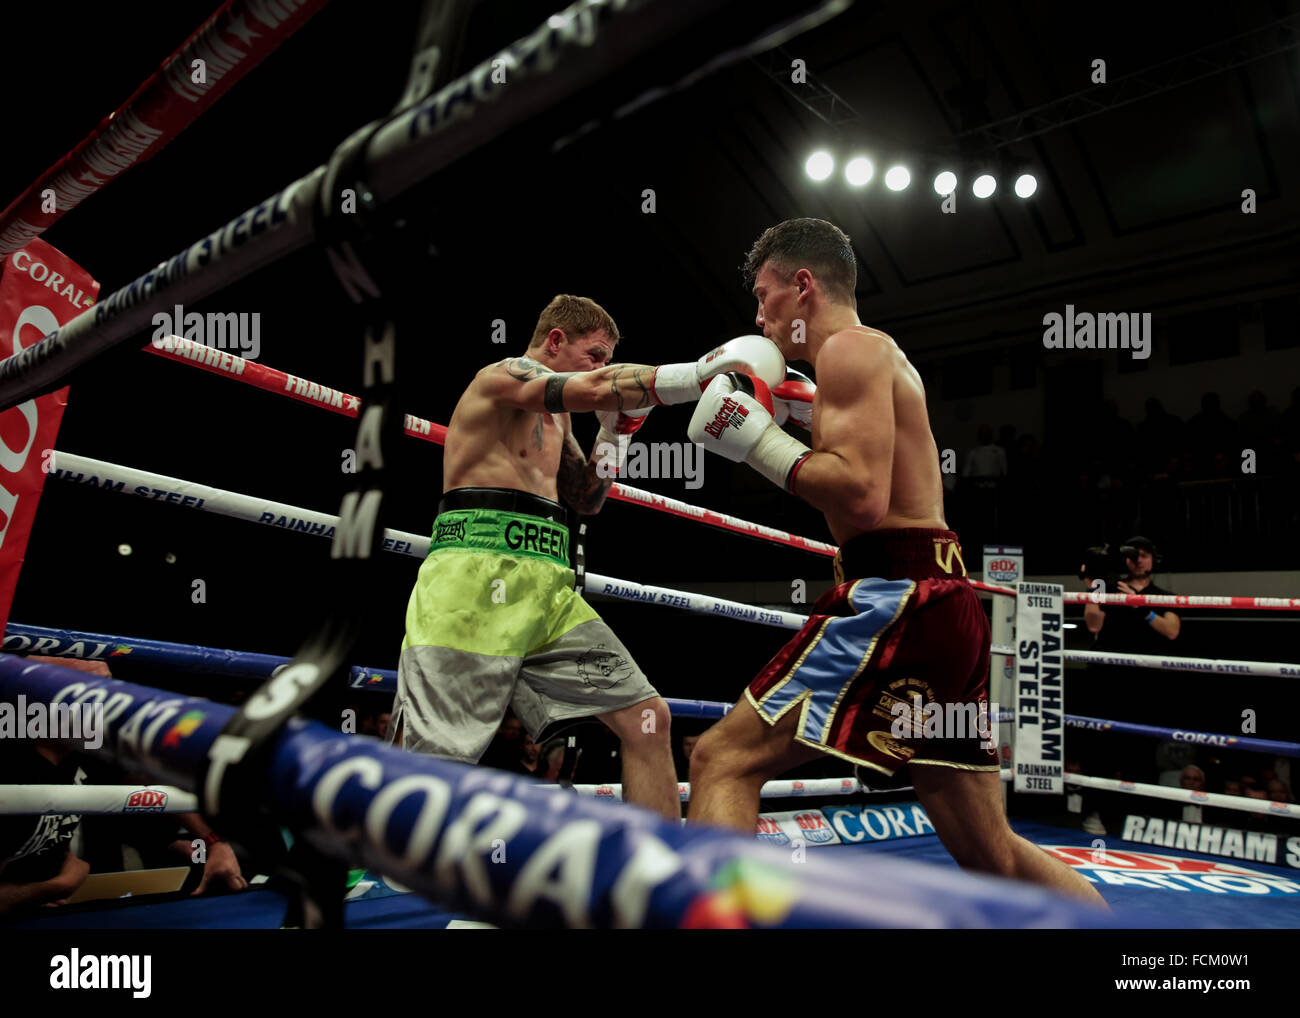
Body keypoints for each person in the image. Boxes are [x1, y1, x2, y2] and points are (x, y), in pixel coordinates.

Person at [683, 218, 1105, 905]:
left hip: (898, 595)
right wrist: (783, 416)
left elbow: (860, 494)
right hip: (946, 607)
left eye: (764, 297)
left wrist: (756, 440)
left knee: (721, 759)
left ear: (803, 285)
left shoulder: (850, 349)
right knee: (989, 852)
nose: (758, 316)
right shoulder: (868, 363)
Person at [388, 294, 783, 821]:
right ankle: (345, 863)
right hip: (472, 574)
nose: (601, 368)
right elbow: (597, 387)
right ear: (556, 340)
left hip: (548, 588)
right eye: (595, 354)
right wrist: (703, 371)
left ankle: (657, 873)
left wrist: (616, 434)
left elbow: (587, 498)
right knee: (434, 754)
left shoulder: (559, 422)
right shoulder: (503, 376)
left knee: (648, 717)